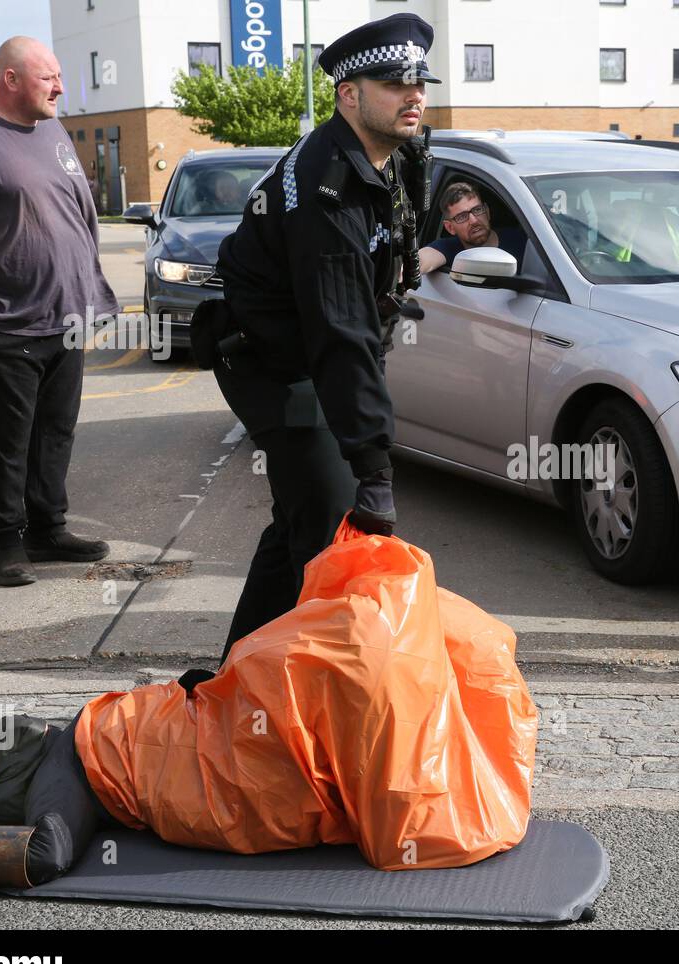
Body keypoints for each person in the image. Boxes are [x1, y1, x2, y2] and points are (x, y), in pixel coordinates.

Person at [0, 520, 537, 878]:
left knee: (365, 648)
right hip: (218, 767)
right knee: (340, 657)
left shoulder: (64, 744)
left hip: (208, 724)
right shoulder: (63, 778)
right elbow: (47, 853)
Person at [210, 13, 438, 662]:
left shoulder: (397, 153)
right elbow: (338, 332)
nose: (413, 94)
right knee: (331, 524)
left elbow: (395, 246)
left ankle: (232, 684)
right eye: (394, 82)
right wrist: (374, 465)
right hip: (276, 360)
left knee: (299, 527)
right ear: (348, 94)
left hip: (319, 349)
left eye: (419, 81)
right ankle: (304, 707)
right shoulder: (324, 187)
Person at [0, 37, 117, 587]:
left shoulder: (55, 129)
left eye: (60, 76)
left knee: (54, 432)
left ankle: (48, 527)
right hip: (7, 317)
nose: (61, 88)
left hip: (65, 314)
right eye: (49, 78)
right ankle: (7, 540)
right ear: (10, 79)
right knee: (4, 438)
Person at [418, 181, 527, 274]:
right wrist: (405, 271)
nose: (474, 220)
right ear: (450, 227)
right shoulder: (450, 249)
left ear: (487, 212)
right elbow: (421, 260)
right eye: (462, 217)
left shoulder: (523, 242)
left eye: (478, 210)